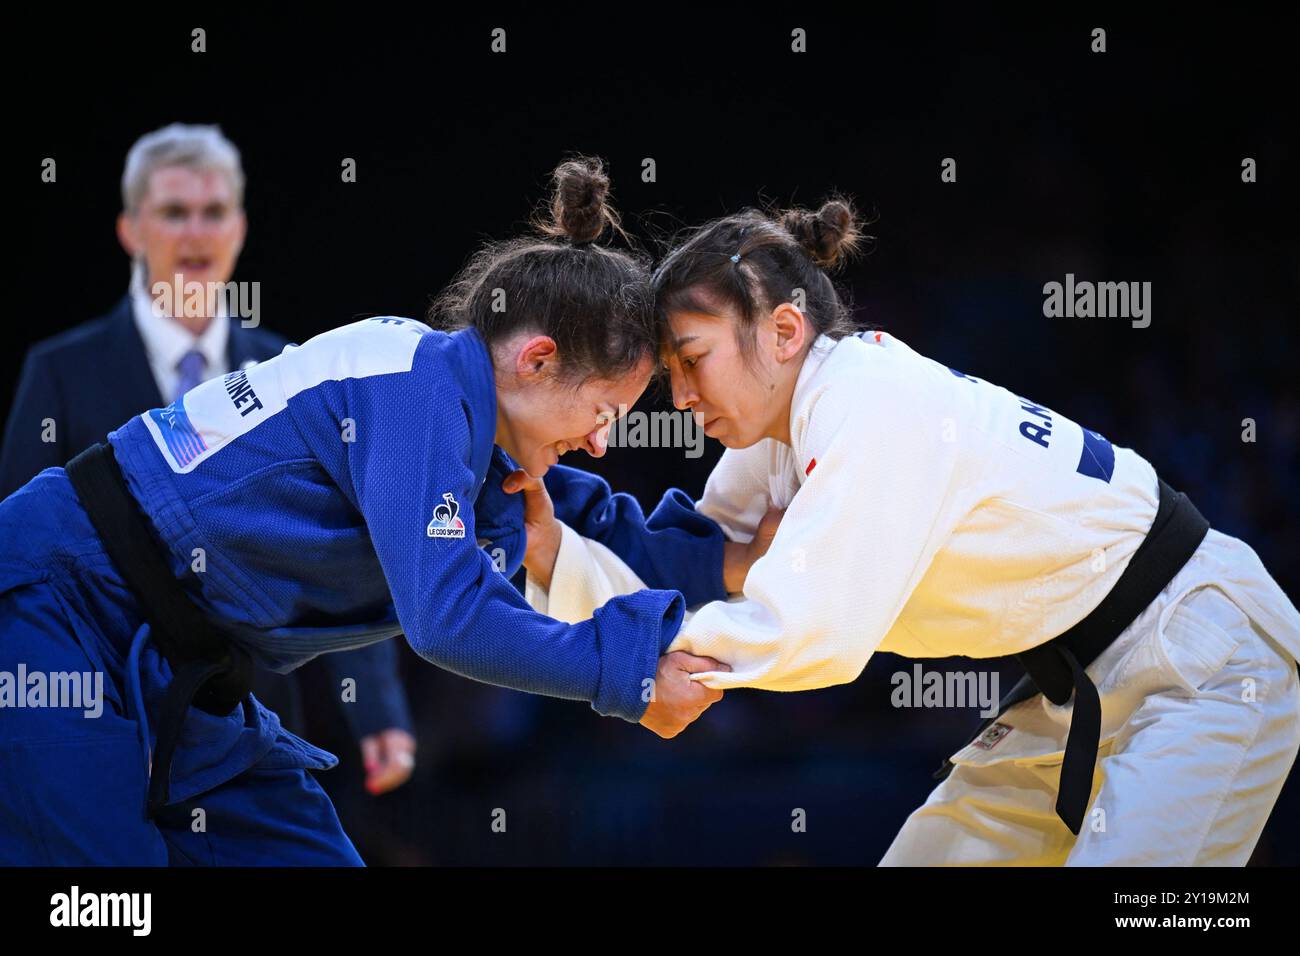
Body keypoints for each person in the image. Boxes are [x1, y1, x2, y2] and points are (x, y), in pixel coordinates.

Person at [0, 157, 743, 865]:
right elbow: (449, 617)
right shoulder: (411, 385)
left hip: (193, 673)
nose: (604, 442)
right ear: (537, 360)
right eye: (604, 409)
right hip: (60, 606)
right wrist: (627, 677)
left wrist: (759, 558)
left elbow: (608, 530)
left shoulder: (491, 455)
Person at [516, 197, 1300, 865]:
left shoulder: (871, 405)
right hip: (1072, 684)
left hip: (1203, 652)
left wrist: (633, 668)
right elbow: (688, 562)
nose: (680, 398)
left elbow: (808, 630)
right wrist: (561, 560)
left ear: (785, 333)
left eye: (692, 361)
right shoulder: (785, 430)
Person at [0, 122, 416, 797]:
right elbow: (18, 552)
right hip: (106, 712)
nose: (195, 233)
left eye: (213, 212)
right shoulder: (60, 373)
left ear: (240, 227)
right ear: (131, 231)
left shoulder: (298, 367)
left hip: (255, 720)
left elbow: (347, 544)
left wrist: (378, 714)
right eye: (173, 212)